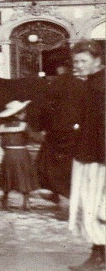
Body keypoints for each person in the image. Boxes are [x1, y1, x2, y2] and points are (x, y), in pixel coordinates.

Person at [67, 39, 105, 270]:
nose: (77, 66)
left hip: (96, 158)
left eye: (82, 61)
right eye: (75, 62)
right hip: (91, 154)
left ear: (97, 61)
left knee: (93, 205)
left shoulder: (98, 88)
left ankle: (98, 256)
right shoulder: (93, 84)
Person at [37, 61, 82, 210]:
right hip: (76, 130)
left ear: (59, 68)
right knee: (71, 161)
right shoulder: (80, 84)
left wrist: (42, 127)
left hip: (55, 130)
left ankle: (56, 190)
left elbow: (45, 108)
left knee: (50, 160)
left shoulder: (53, 84)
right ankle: (69, 191)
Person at [0, 100, 38, 211]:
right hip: (22, 154)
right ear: (17, 114)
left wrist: (8, 150)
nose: (25, 114)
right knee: (24, 177)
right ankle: (26, 201)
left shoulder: (2, 127)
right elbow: (34, 137)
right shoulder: (24, 126)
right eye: (23, 112)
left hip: (8, 155)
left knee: (7, 177)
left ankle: (5, 200)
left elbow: (2, 144)